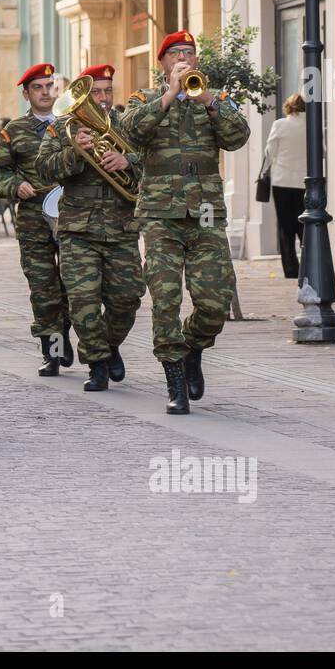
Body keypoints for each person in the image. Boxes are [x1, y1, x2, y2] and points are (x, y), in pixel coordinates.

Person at [122, 30, 250, 415]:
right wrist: (167, 96)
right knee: (165, 299)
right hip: (161, 216)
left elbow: (239, 136)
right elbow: (130, 132)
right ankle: (174, 379)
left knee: (216, 298)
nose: (184, 59)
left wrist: (207, 99)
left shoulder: (213, 99)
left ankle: (193, 347)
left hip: (206, 212)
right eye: (176, 54)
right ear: (162, 63)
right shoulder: (143, 99)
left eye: (190, 54)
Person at [36, 63, 145, 392]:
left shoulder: (129, 125)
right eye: (94, 92)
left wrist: (129, 162)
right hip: (77, 230)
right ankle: (96, 362)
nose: (101, 98)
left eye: (107, 91)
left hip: (121, 228)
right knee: (82, 302)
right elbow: (43, 168)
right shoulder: (62, 129)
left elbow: (155, 163)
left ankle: (110, 345)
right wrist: (76, 152)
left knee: (127, 300)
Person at [0, 62, 72, 377]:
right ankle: (53, 349)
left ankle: (63, 328)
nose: (45, 92)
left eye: (50, 86)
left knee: (74, 283)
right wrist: (15, 185)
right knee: (42, 285)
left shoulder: (72, 123)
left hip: (73, 215)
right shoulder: (15, 130)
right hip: (34, 216)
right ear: (26, 93)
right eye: (38, 87)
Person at [264, 92, 307, 280]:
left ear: (288, 107)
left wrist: (263, 171)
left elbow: (270, 151)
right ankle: (309, 264)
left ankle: (290, 269)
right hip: (305, 182)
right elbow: (321, 151)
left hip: (282, 182)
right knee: (304, 225)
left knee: (285, 226)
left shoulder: (280, 125)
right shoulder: (312, 126)